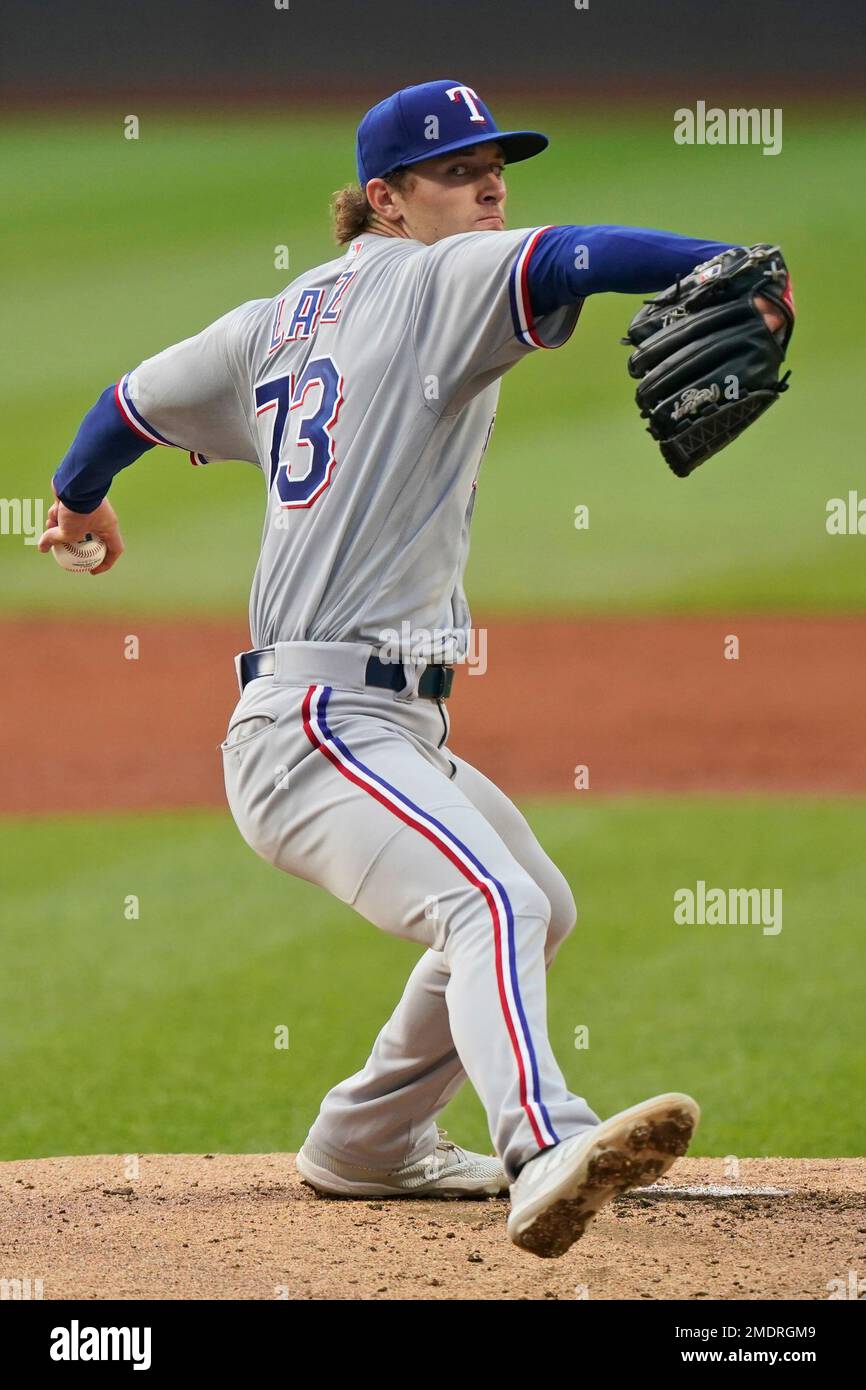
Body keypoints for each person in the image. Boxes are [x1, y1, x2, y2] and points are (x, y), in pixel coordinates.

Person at [38, 80, 785, 1258]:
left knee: (539, 906)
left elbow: (122, 406)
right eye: (456, 170)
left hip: (362, 722)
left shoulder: (269, 323)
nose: (487, 186)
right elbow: (579, 254)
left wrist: (81, 504)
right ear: (384, 201)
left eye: (496, 164)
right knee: (490, 900)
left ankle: (369, 1140)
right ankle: (544, 1144)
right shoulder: (437, 273)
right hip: (318, 728)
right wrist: (737, 262)